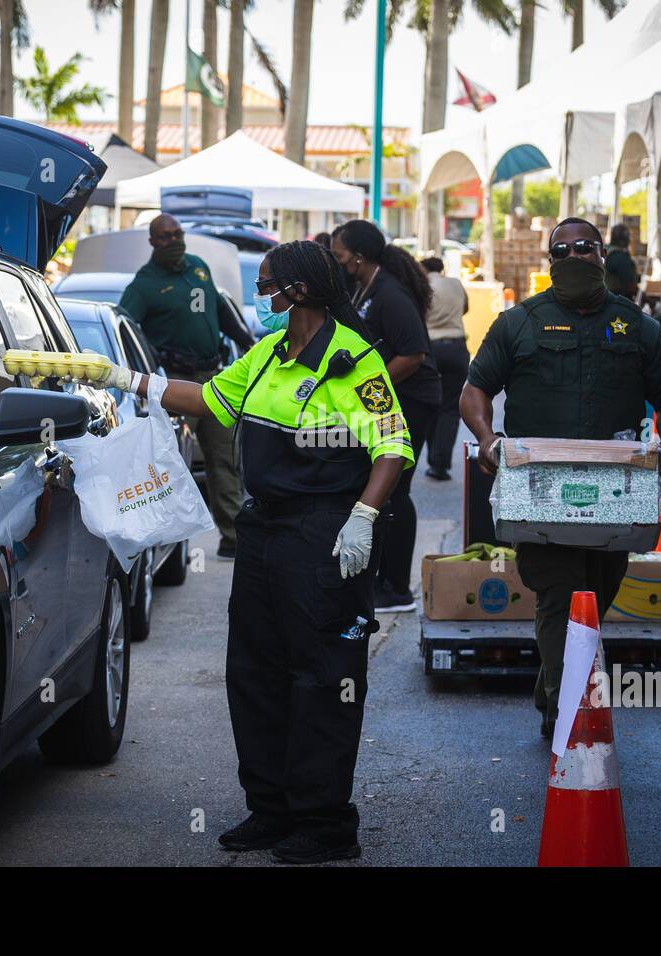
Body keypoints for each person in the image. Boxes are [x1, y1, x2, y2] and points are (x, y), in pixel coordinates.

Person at [100, 240, 412, 863]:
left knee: (323, 678)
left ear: (297, 291)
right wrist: (124, 378)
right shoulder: (268, 354)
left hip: (323, 533)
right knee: (256, 672)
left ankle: (324, 824)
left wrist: (362, 517)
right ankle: (270, 809)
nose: (261, 297)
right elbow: (209, 400)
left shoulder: (352, 362)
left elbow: (392, 447)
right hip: (265, 531)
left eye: (268, 285)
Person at [460, 218, 661, 739]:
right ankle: (566, 715)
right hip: (541, 496)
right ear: (549, 260)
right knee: (559, 596)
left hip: (615, 498)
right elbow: (474, 392)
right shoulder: (518, 323)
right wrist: (489, 438)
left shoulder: (638, 327)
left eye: (582, 247)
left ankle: (554, 687)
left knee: (599, 593)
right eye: (559, 249)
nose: (571, 256)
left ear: (602, 255)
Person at [118, 214, 254, 559]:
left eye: (178, 234)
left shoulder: (198, 268)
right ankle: (164, 542)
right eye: (165, 236)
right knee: (168, 463)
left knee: (224, 458)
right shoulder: (143, 285)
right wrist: (147, 368)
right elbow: (127, 330)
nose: (175, 241)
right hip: (174, 382)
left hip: (213, 377)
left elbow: (221, 311)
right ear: (152, 242)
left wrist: (247, 341)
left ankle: (233, 537)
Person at [330, 219, 441, 613]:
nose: (336, 262)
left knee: (397, 489)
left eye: (340, 256)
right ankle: (382, 579)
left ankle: (397, 588)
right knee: (385, 489)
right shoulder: (366, 287)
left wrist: (366, 389)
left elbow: (414, 354)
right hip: (390, 399)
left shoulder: (390, 295)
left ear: (358, 258)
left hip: (412, 398)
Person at [419, 256, 469, 481]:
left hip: (432, 348)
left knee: (431, 405)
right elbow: (465, 308)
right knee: (450, 408)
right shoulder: (456, 284)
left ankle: (434, 460)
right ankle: (441, 464)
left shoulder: (423, 286)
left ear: (423, 269)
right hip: (457, 347)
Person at [604, 223, 641, 301]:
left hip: (606, 297)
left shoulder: (607, 250)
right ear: (624, 239)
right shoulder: (619, 256)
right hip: (617, 300)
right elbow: (630, 286)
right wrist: (647, 299)